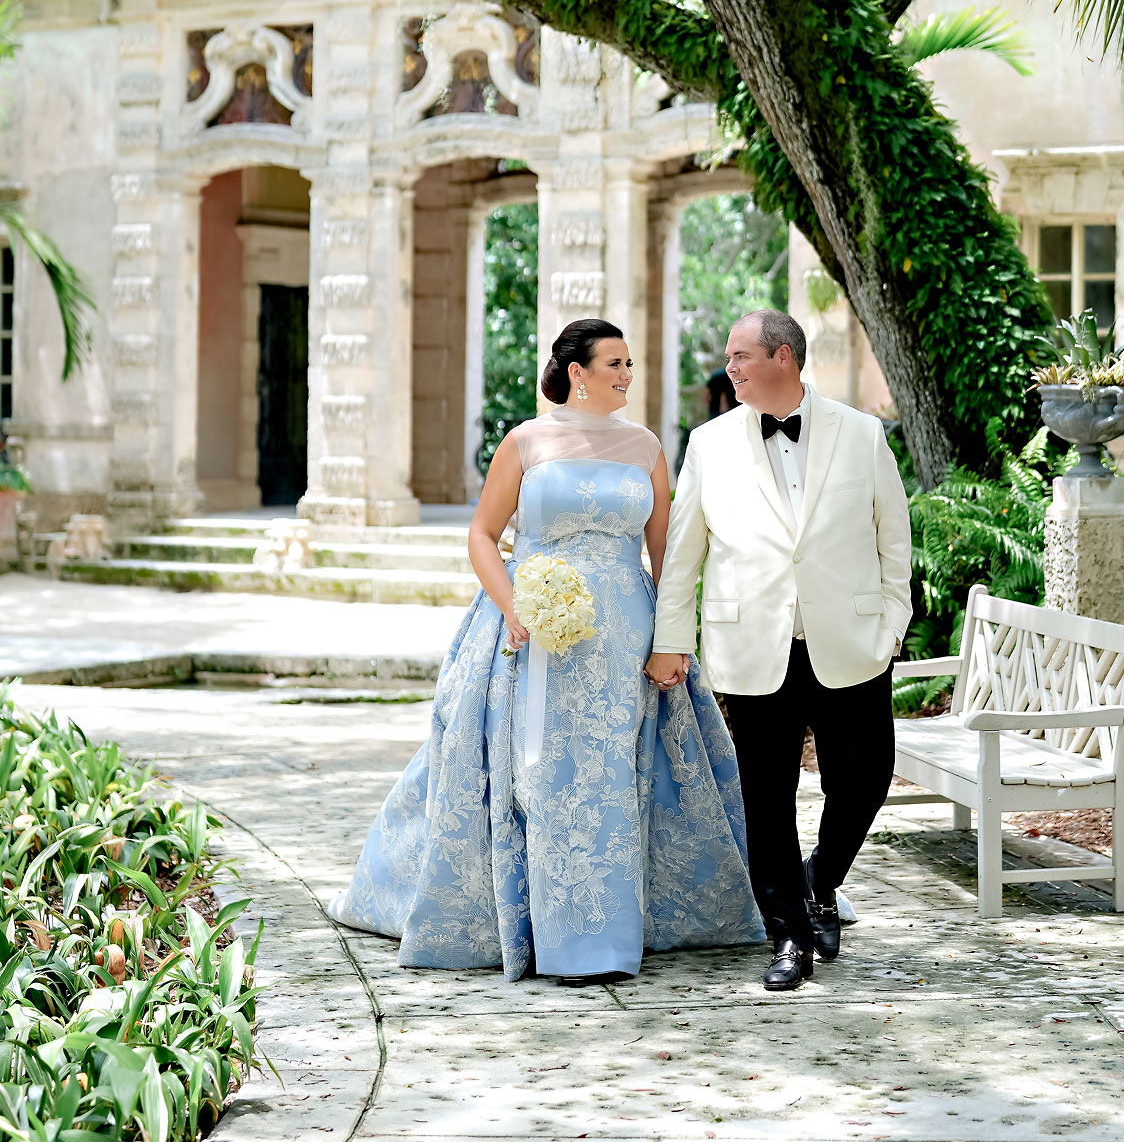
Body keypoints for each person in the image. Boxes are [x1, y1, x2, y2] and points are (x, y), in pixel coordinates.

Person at [330, 318, 764, 984]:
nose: (626, 374)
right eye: (614, 363)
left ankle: (605, 939)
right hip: (530, 633)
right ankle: (539, 927)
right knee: (538, 775)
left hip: (625, 637)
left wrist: (672, 639)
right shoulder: (526, 442)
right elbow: (482, 535)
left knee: (618, 774)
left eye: (629, 363)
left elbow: (666, 554)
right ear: (577, 372)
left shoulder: (646, 446)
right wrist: (513, 606)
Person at [646, 308, 912, 992]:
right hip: (751, 644)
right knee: (766, 797)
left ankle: (821, 880)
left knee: (865, 777)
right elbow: (683, 558)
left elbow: (894, 542)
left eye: (740, 356)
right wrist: (670, 640)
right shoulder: (708, 444)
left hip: (849, 641)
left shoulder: (862, 434)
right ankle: (789, 935)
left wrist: (890, 626)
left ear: (784, 358)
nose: (728, 368)